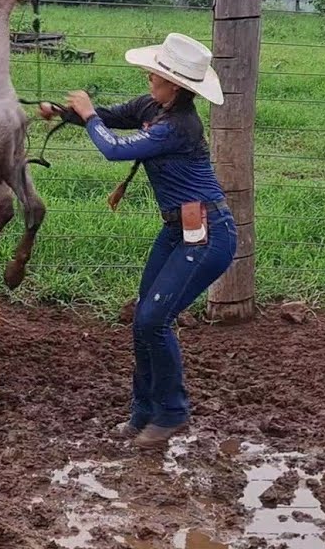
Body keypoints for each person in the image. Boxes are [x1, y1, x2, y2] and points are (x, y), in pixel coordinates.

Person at [39, 32, 237, 449]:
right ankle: (144, 413)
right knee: (145, 320)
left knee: (152, 320)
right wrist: (65, 112)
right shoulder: (152, 107)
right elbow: (110, 117)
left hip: (206, 235)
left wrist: (89, 116)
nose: (149, 76)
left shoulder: (180, 125)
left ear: (177, 86)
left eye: (157, 73)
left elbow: (113, 149)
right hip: (179, 230)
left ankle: (172, 412)